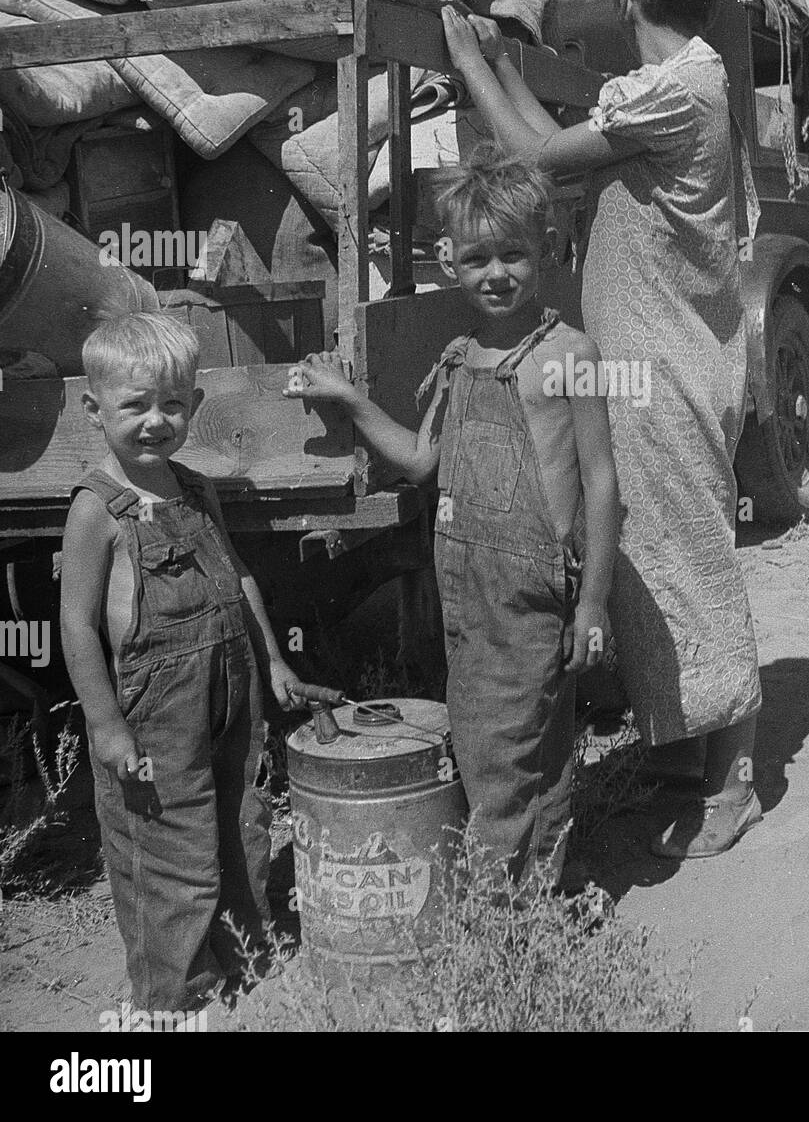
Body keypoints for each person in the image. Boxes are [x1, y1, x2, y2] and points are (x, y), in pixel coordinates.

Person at [439, 0, 762, 858]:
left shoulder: (678, 86)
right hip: (646, 369)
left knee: (692, 563)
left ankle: (732, 784)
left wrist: (469, 65)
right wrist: (500, 66)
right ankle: (675, 761)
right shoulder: (676, 86)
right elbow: (553, 142)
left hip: (666, 370)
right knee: (645, 559)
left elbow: (535, 161)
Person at [286, 148, 619, 886]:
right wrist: (347, 399)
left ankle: (498, 918)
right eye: (476, 259)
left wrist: (593, 600)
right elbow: (419, 462)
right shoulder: (459, 356)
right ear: (446, 261)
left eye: (513, 255)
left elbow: (600, 482)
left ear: (548, 251)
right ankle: (541, 894)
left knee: (503, 749)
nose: (496, 274)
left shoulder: (570, 353)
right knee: (515, 742)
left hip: (531, 586)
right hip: (466, 585)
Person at [60, 312, 337, 1013]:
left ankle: (247, 953)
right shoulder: (97, 509)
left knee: (242, 825)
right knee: (166, 849)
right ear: (93, 410)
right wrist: (104, 724)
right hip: (152, 711)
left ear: (196, 406)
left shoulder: (195, 488)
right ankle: (173, 997)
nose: (156, 421)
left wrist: (273, 661)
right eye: (135, 406)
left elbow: (238, 577)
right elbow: (75, 623)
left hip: (230, 687)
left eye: (172, 404)